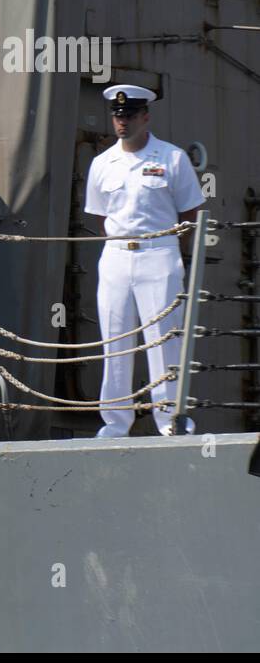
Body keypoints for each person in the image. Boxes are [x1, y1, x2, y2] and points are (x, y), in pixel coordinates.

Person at [84, 84, 204, 436]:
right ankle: (115, 423)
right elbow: (99, 215)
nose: (122, 122)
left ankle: (170, 422)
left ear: (146, 116)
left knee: (164, 340)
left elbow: (190, 213)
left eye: (131, 115)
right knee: (114, 342)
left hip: (159, 255)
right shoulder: (102, 163)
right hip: (117, 256)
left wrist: (164, 245)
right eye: (118, 116)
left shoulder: (172, 159)